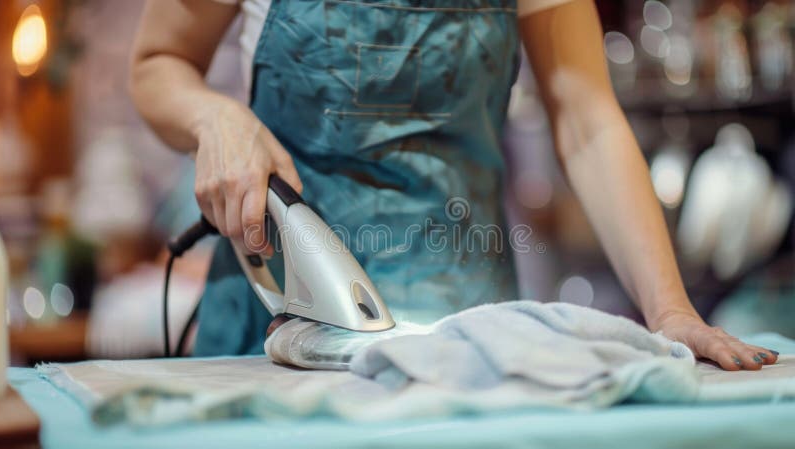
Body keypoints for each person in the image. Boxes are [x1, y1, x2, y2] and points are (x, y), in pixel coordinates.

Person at [130, 0, 778, 370]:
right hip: (276, 324)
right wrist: (214, 116)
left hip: (463, 340)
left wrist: (670, 311)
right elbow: (158, 63)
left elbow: (584, 116)